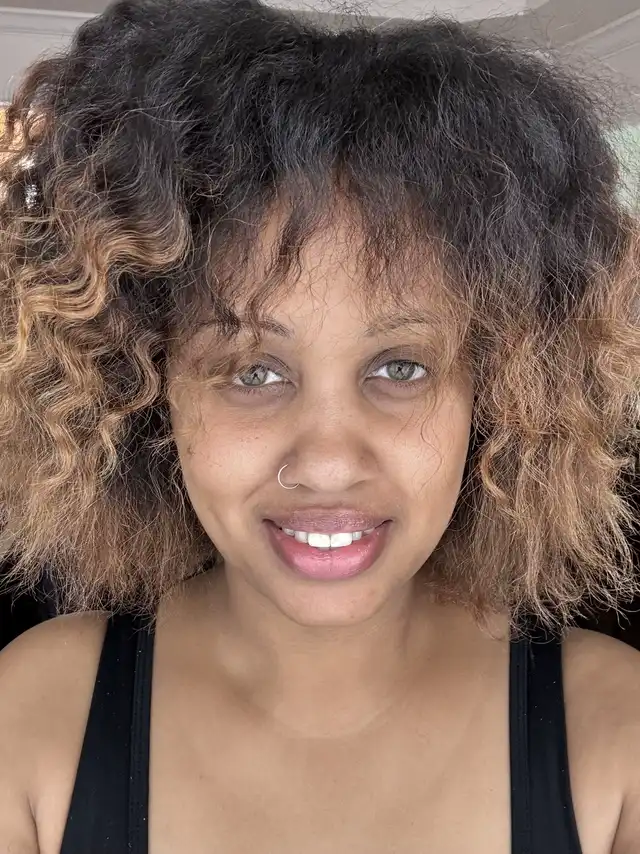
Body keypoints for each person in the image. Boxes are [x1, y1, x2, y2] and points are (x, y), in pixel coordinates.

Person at [0, 0, 639, 851]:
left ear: (496, 395)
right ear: (147, 386)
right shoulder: (33, 723)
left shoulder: (614, 739)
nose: (329, 462)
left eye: (400, 368)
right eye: (254, 371)